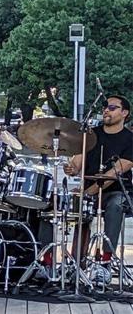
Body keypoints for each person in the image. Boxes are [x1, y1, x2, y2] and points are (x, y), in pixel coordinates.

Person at [57, 95, 133, 264]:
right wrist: (72, 167)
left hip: (116, 191)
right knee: (51, 204)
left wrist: (86, 193)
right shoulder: (90, 135)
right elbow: (77, 161)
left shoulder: (130, 139)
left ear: (124, 113)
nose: (106, 110)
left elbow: (115, 173)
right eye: (105, 106)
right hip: (89, 191)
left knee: (116, 206)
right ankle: (73, 261)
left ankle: (106, 261)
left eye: (112, 108)